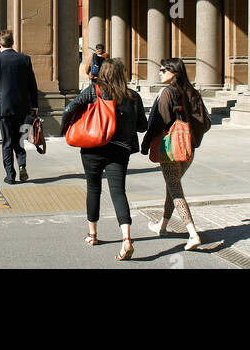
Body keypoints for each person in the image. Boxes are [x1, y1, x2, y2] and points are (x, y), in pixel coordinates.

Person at [61, 57, 147, 260]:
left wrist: (66, 128)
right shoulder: (133, 96)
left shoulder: (93, 91)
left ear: (103, 74)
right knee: (118, 192)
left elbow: (69, 109)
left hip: (93, 148)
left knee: (93, 189)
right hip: (120, 150)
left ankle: (93, 234)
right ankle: (126, 239)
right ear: (122, 74)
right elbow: (142, 126)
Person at [140, 57, 210, 249]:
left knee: (176, 191)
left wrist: (145, 144)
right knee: (172, 187)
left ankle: (193, 233)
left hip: (171, 150)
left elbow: (156, 122)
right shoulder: (194, 93)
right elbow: (206, 123)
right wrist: (192, 138)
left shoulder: (166, 92)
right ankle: (162, 226)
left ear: (175, 73)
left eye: (164, 70)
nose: (160, 72)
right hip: (188, 149)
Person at [0, 30, 38, 185]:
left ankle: (10, 174)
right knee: (20, 138)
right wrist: (35, 106)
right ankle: (22, 165)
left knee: (7, 140)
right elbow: (32, 85)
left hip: (3, 106)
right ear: (12, 42)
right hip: (22, 105)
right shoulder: (24, 59)